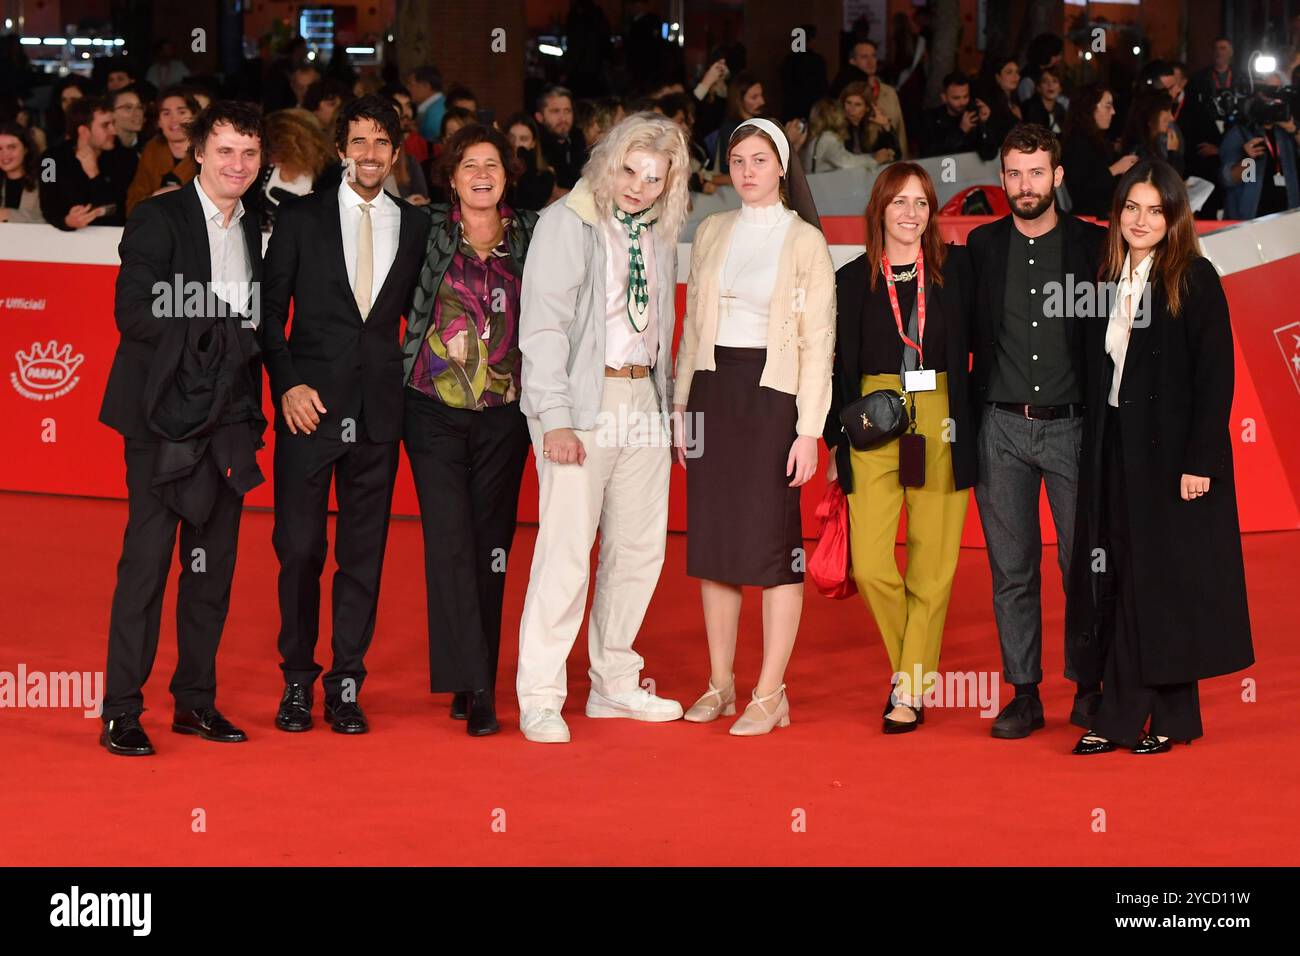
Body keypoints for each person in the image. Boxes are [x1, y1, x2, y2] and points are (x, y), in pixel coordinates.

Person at [515, 112, 691, 744]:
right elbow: (540, 329)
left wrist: (669, 415)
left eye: (654, 177)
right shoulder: (568, 222)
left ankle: (615, 683)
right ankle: (540, 694)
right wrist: (555, 418)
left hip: (641, 397)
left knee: (640, 550)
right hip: (583, 405)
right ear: (608, 161)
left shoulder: (658, 230)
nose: (639, 187)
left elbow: (663, 331)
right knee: (564, 552)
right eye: (629, 170)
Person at [1066, 160, 1254, 754]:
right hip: (1119, 450)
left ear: (1174, 217)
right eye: (1131, 208)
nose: (1140, 220)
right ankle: (1175, 719)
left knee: (1156, 583)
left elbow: (1215, 377)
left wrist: (1201, 462)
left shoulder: (1195, 277)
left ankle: (1119, 717)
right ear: (1117, 213)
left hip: (1174, 462)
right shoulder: (1109, 276)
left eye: (1154, 210)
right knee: (1135, 578)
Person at [97, 100, 267, 756]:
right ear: (199, 151)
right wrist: (218, 330)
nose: (237, 165)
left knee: (211, 568)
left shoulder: (258, 225)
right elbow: (133, 311)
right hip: (160, 417)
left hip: (227, 419)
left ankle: (195, 702)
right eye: (225, 151)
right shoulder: (158, 217)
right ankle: (121, 709)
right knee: (146, 563)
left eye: (249, 154)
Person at [260, 95, 432, 736]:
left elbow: (420, 323)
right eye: (358, 142)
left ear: (395, 153)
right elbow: (268, 314)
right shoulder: (300, 218)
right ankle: (297, 682)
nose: (369, 155)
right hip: (310, 413)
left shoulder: (415, 228)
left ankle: (346, 685)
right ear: (340, 151)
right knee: (300, 549)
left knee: (364, 556)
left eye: (381, 143)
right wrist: (289, 386)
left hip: (380, 416)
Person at [673, 118, 834, 736]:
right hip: (714, 391)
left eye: (759, 160)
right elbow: (692, 329)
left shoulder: (804, 242)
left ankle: (770, 693)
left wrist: (808, 429)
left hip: (774, 399)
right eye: (737, 159)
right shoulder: (711, 229)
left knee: (774, 548)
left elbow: (820, 341)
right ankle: (720, 683)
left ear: (782, 167)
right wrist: (683, 405)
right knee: (714, 548)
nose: (746, 171)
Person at [965, 123, 1108, 739]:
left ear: (1058, 176)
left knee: (1084, 565)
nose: (1026, 186)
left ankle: (1091, 686)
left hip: (1074, 430)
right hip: (999, 430)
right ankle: (1024, 693)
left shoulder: (1094, 248)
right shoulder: (982, 246)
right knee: (1012, 570)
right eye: (1014, 174)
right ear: (1002, 180)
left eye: (1036, 173)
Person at [824, 162, 974, 733]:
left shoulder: (954, 273)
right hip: (871, 418)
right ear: (879, 209)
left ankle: (909, 687)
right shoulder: (850, 279)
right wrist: (835, 441)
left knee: (932, 570)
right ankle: (912, 665)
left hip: (940, 417)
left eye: (921, 202)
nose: (911, 213)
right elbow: (837, 367)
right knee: (872, 565)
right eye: (899, 202)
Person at [399, 124, 538, 737]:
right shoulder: (425, 231)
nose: (482, 174)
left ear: (506, 176)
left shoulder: (532, 234)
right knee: (450, 541)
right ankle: (477, 685)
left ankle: (471, 671)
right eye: (469, 165)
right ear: (451, 177)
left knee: (492, 546)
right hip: (432, 409)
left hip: (507, 412)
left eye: (493, 164)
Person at [39, 97, 128, 230]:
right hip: (63, 241)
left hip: (111, 240)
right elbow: (48, 205)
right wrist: (67, 221)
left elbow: (120, 210)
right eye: (105, 125)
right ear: (83, 131)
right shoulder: (49, 159)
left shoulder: (125, 157)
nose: (114, 131)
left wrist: (94, 174)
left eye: (113, 123)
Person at [1219, 92, 1300, 219]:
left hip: (1287, 212)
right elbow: (1228, 179)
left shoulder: (1286, 134)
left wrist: (1294, 130)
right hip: (1251, 215)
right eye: (1267, 103)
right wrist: (1247, 159)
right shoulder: (1240, 134)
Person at [1062, 84, 1136, 217]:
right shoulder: (1076, 142)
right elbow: (1082, 191)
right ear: (1090, 108)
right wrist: (1116, 169)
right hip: (1089, 219)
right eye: (1108, 106)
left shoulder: (1097, 139)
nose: (1113, 112)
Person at [125, 87, 200, 216]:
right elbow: (132, 205)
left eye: (181, 112)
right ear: (159, 121)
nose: (174, 120)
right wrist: (155, 196)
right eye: (166, 113)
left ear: (194, 117)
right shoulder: (151, 149)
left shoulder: (208, 150)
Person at [830, 39, 909, 156]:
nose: (870, 61)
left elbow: (900, 130)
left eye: (873, 56)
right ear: (852, 61)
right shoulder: (846, 94)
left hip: (890, 161)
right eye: (864, 57)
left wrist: (904, 161)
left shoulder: (889, 92)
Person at [803, 97, 888, 173]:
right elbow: (846, 163)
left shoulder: (817, 137)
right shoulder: (828, 138)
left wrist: (872, 156)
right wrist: (875, 160)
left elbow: (846, 157)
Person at [918, 72, 991, 158]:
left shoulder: (972, 115)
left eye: (966, 96)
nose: (962, 102)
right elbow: (930, 154)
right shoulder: (930, 118)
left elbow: (989, 154)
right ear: (944, 98)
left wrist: (983, 124)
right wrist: (961, 131)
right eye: (956, 98)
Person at [534, 86, 587, 192]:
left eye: (567, 111)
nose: (563, 118)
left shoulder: (580, 142)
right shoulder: (535, 148)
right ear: (539, 117)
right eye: (555, 111)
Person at [504, 112, 555, 210]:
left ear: (533, 143)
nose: (516, 144)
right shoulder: (497, 171)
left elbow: (530, 204)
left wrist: (527, 162)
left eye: (523, 139)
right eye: (511, 138)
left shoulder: (545, 176)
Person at [976, 56, 1024, 160]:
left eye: (1017, 72)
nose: (1016, 76)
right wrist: (1016, 120)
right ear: (997, 77)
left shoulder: (1016, 102)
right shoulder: (990, 105)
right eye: (1009, 72)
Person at [839, 82, 899, 159]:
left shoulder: (875, 126)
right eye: (848, 103)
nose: (851, 109)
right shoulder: (837, 127)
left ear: (867, 108)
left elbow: (896, 155)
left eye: (858, 104)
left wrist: (886, 126)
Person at [0, 122, 43, 222]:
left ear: (26, 149)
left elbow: (53, 219)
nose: (4, 154)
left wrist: (9, 214)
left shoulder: (46, 179)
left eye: (12, 147)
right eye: (0, 149)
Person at [1021, 66, 1066, 136]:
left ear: (1060, 88)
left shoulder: (1061, 110)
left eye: (1055, 81)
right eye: (1045, 81)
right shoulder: (1029, 108)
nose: (1050, 85)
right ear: (1038, 87)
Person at [405, 65, 445, 143]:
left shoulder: (435, 113)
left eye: (411, 84)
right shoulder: (440, 104)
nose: (407, 88)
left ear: (426, 86)